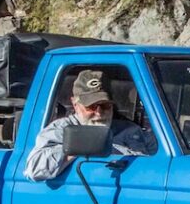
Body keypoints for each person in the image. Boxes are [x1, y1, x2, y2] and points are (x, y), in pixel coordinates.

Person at [24, 70, 155, 181]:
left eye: (105, 106)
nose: (99, 113)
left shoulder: (130, 130)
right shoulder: (61, 130)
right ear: (75, 104)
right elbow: (33, 170)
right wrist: (81, 144)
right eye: (91, 107)